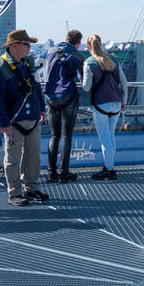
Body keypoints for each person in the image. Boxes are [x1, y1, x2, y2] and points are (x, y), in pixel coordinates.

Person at [0, 29, 48, 207]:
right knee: (13, 158)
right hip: (14, 121)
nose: (29, 48)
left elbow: (36, 86)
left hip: (32, 116)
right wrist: (4, 122)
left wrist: (42, 108)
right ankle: (14, 192)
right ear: (14, 46)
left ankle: (31, 188)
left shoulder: (27, 63)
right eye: (26, 44)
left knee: (34, 156)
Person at [81, 33, 129, 180]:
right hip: (116, 103)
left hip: (101, 103)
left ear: (88, 47)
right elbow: (124, 83)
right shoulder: (113, 59)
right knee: (111, 136)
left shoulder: (89, 63)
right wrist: (123, 101)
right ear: (101, 44)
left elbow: (86, 87)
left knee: (104, 139)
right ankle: (109, 165)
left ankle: (109, 169)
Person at [45, 29, 84, 182]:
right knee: (66, 135)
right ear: (78, 43)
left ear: (66, 38)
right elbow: (83, 78)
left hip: (51, 96)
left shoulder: (50, 52)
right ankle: (64, 172)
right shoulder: (78, 56)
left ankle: (51, 172)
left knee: (54, 135)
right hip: (68, 96)